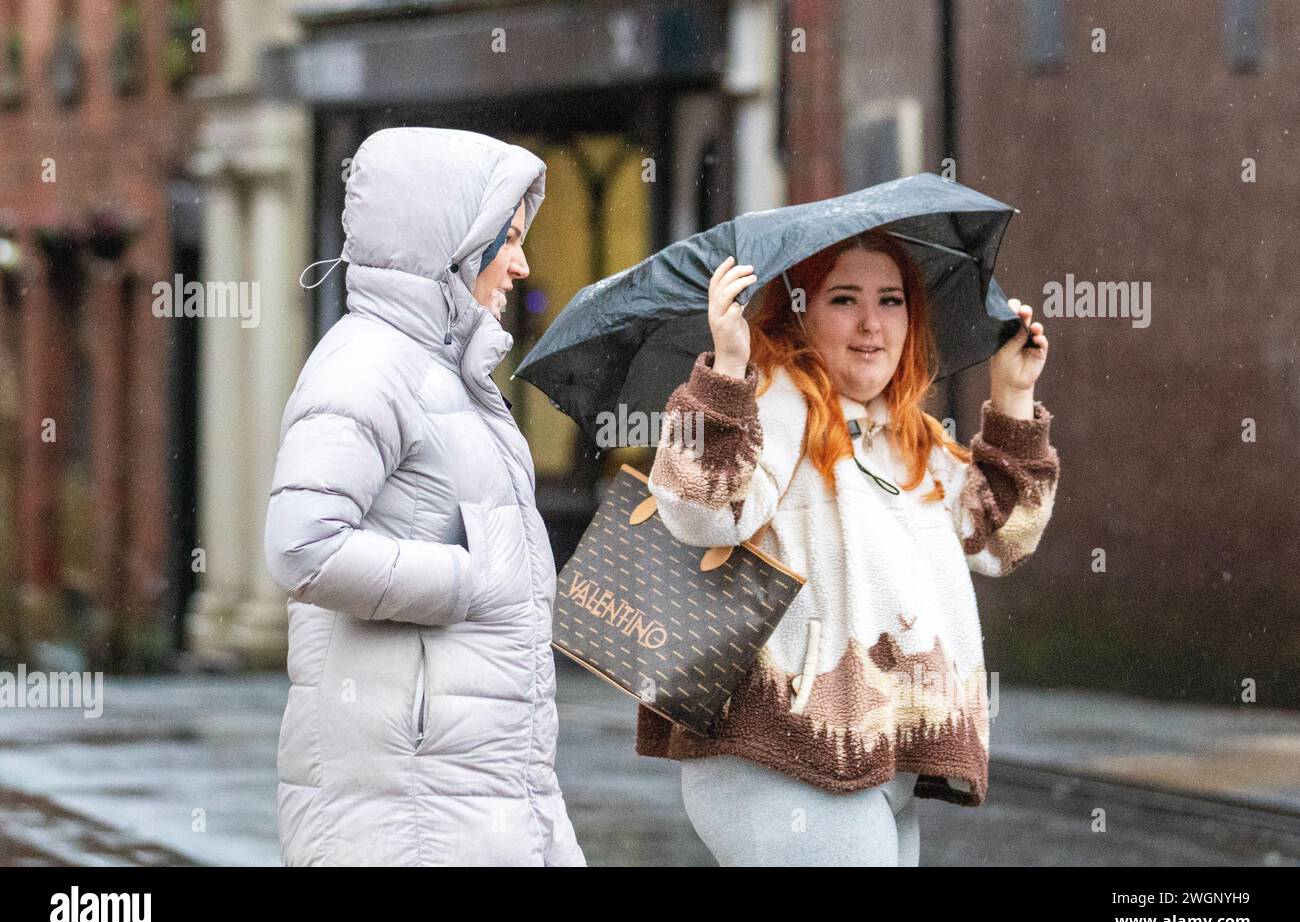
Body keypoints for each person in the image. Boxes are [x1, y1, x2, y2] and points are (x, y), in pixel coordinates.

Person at [636, 227, 1060, 865]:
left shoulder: (904, 435)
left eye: (891, 301)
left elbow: (1001, 543)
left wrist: (1014, 395)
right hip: (779, 755)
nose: (871, 324)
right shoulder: (776, 403)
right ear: (800, 314)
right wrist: (728, 369)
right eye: (843, 300)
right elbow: (701, 511)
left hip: (878, 759)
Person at [264, 126, 585, 866]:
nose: (522, 263)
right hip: (410, 806)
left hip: (476, 790)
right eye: (505, 239)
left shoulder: (449, 375)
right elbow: (301, 544)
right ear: (453, 243)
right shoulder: (366, 367)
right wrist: (464, 581)